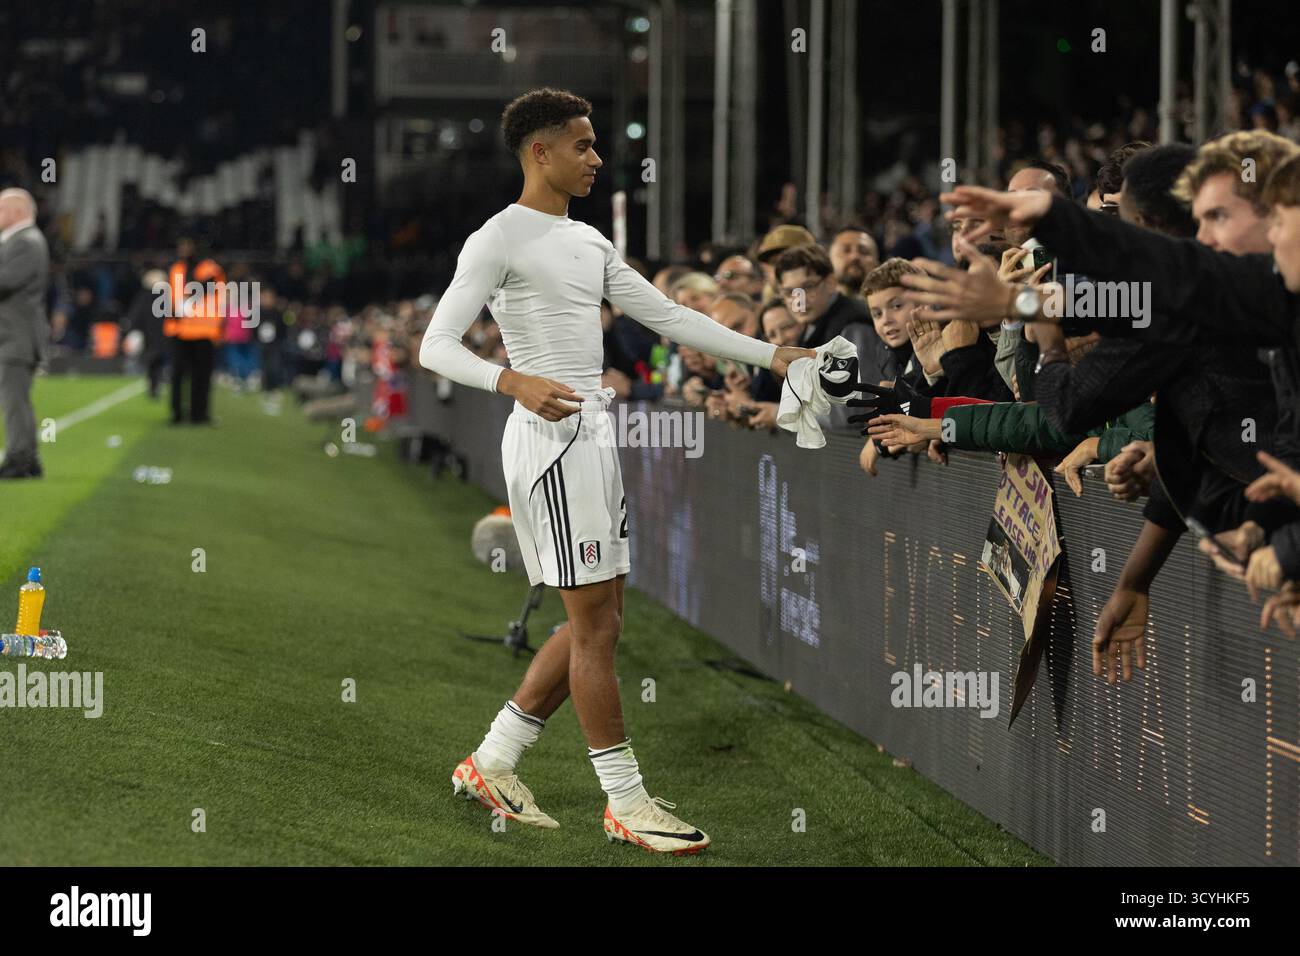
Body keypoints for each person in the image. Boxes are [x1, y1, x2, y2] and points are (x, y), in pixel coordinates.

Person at [419, 87, 813, 854]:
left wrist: (775, 355)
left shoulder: (591, 241)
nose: (598, 158)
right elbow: (435, 344)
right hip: (551, 441)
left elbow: (669, 317)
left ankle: (494, 761)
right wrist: (514, 381)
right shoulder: (495, 239)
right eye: (584, 145)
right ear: (541, 152)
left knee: (599, 621)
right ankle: (626, 803)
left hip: (590, 440)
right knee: (596, 628)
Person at [0, 188, 50, 479]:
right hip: (16, 334)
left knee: (14, 401)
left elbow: (5, 281)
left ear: (18, 212)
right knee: (18, 400)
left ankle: (19, 459)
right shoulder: (26, 241)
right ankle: (28, 459)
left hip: (15, 336)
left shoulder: (26, 242)